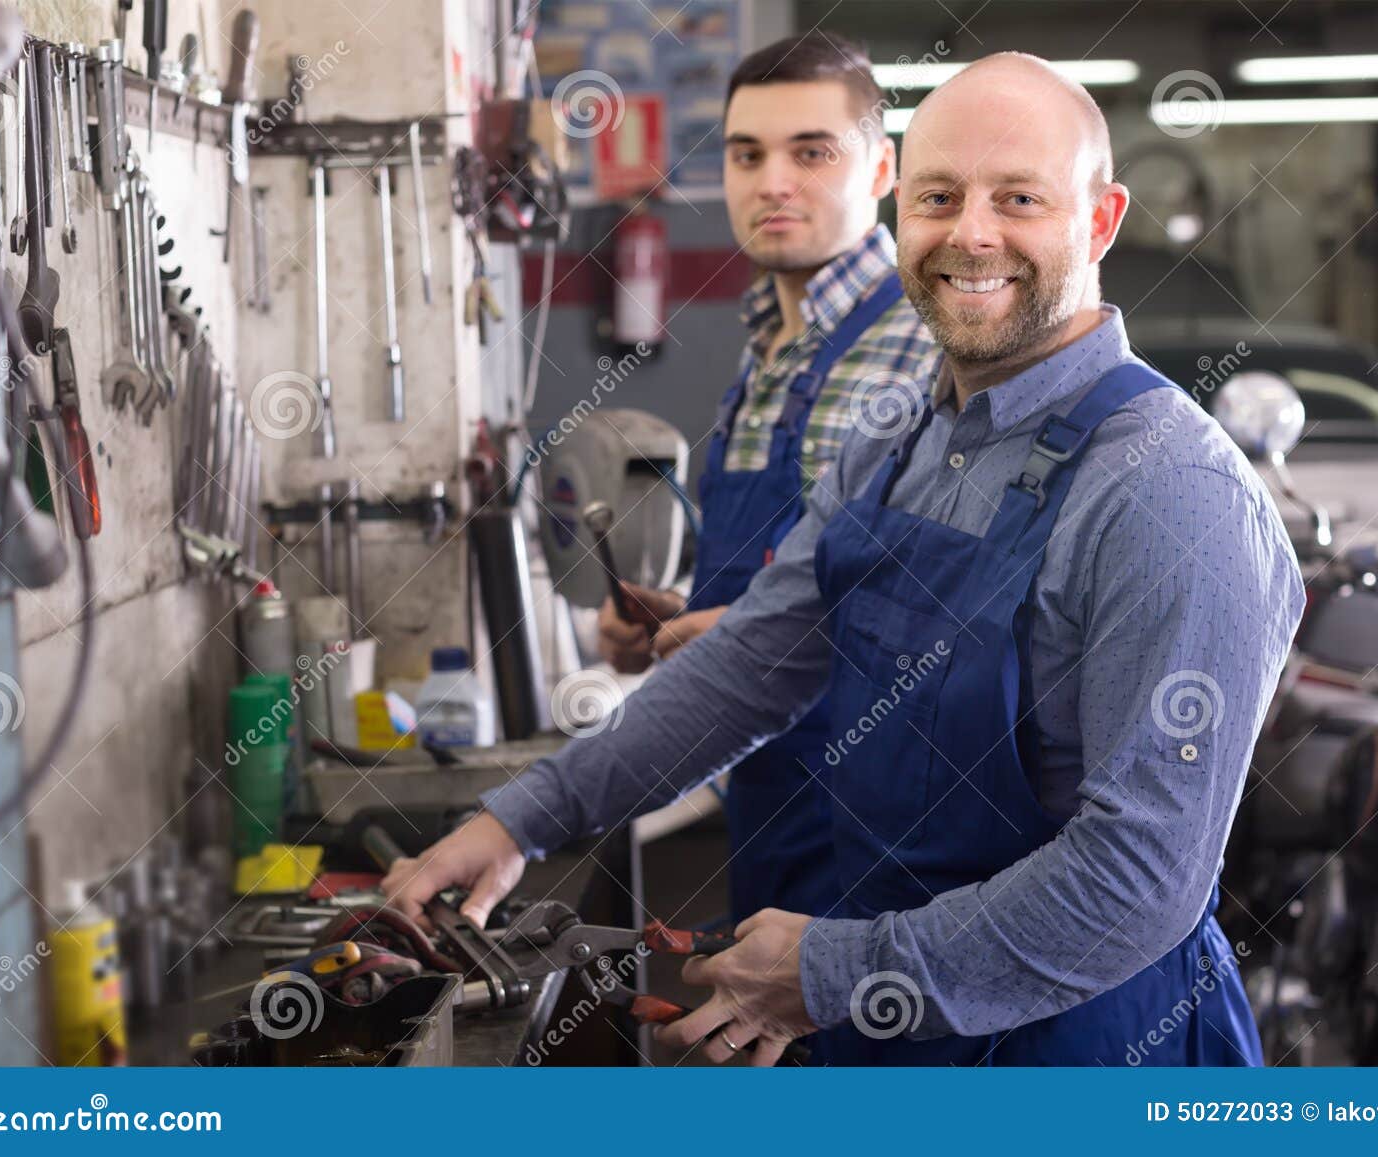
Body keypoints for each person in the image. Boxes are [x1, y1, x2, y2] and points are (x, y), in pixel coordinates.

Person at [385, 53, 1304, 1067]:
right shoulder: (896, 442)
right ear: (899, 202)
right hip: (894, 1031)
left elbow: (1141, 878)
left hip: (1091, 1049)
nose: (971, 234)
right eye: (941, 196)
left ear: (1098, 221)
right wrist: (519, 821)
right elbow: (749, 667)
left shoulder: (1171, 491)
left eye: (1019, 199)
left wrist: (837, 972)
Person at [597, 31, 934, 924]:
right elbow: (787, 570)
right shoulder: (768, 344)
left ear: (881, 169)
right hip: (766, 798)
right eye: (748, 154)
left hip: (886, 819)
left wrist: (754, 635)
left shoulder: (927, 346)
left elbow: (953, 609)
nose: (772, 182)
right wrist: (678, 616)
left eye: (811, 151)